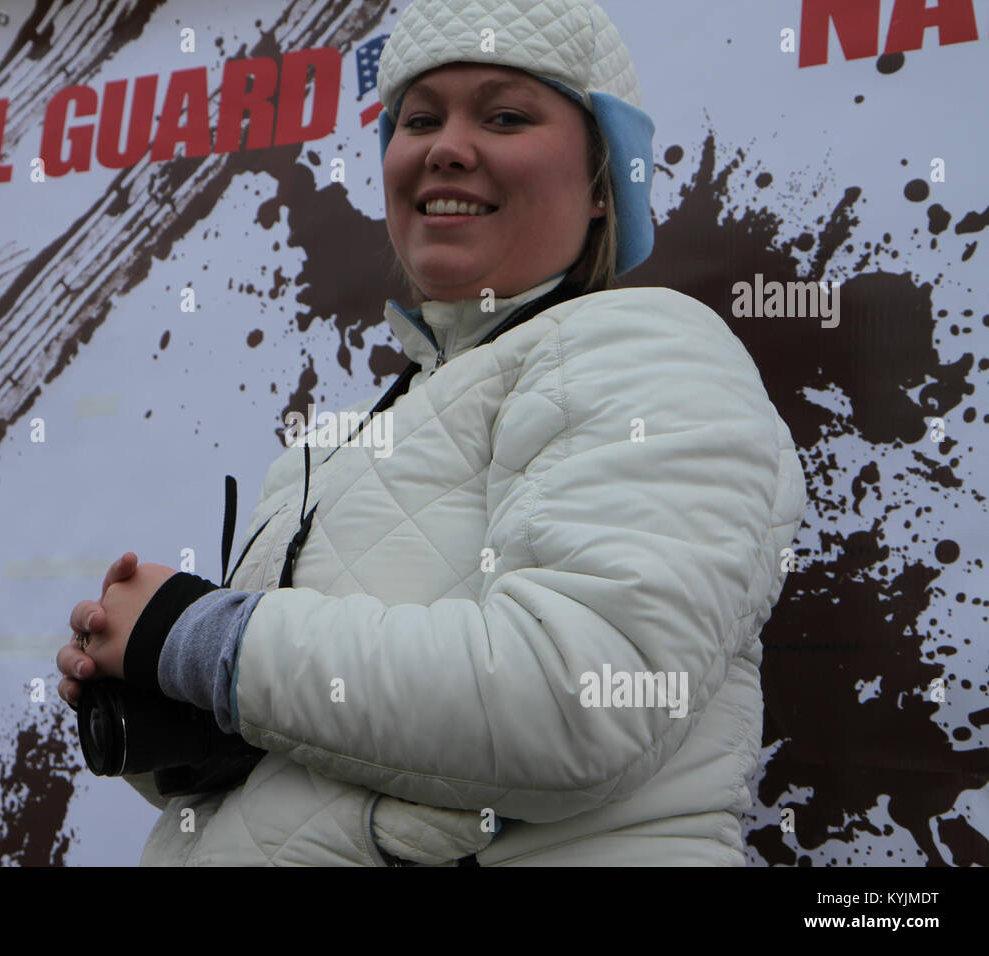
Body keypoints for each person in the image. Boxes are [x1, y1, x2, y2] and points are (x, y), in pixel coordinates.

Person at [55, 0, 808, 865]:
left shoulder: (651, 351)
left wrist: (205, 638)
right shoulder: (333, 448)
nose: (446, 146)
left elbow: (577, 704)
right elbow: (320, 753)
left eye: (505, 115)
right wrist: (166, 696)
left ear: (605, 182)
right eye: (419, 118)